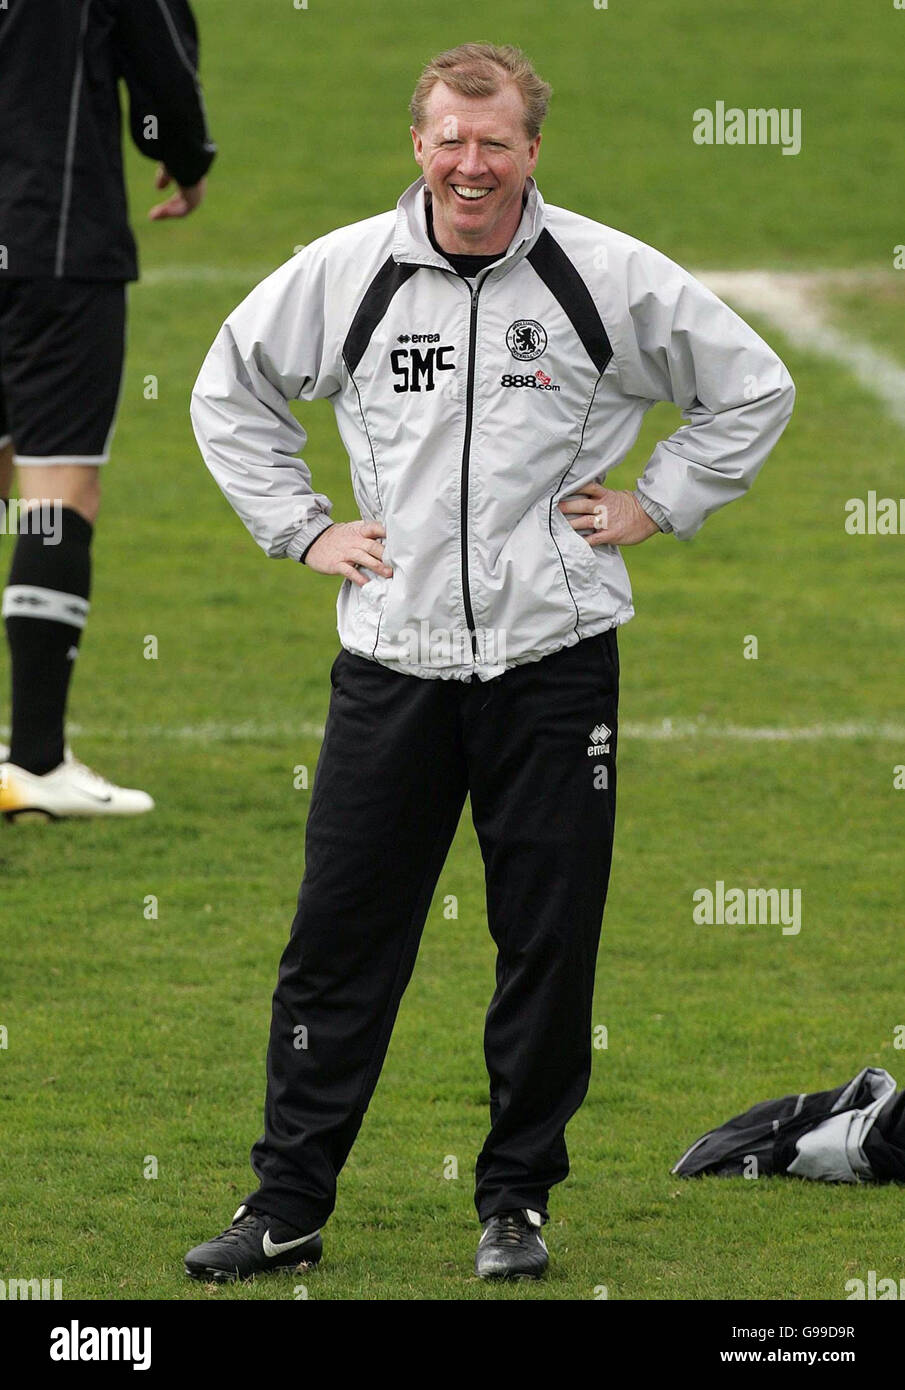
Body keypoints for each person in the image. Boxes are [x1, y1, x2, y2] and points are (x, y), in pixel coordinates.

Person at [187, 42, 794, 1282]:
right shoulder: (343, 271)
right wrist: (303, 528)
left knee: (546, 940)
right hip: (390, 666)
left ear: (530, 151)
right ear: (417, 145)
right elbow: (229, 386)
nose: (471, 165)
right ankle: (285, 1205)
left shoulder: (603, 274)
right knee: (336, 946)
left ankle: (515, 1203)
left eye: (495, 142)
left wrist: (656, 502)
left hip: (554, 663)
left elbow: (750, 386)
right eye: (450, 141)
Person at [0, 0, 215, 821]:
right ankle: (38, 763)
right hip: (54, 244)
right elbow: (159, 60)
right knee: (56, 493)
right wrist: (184, 155)